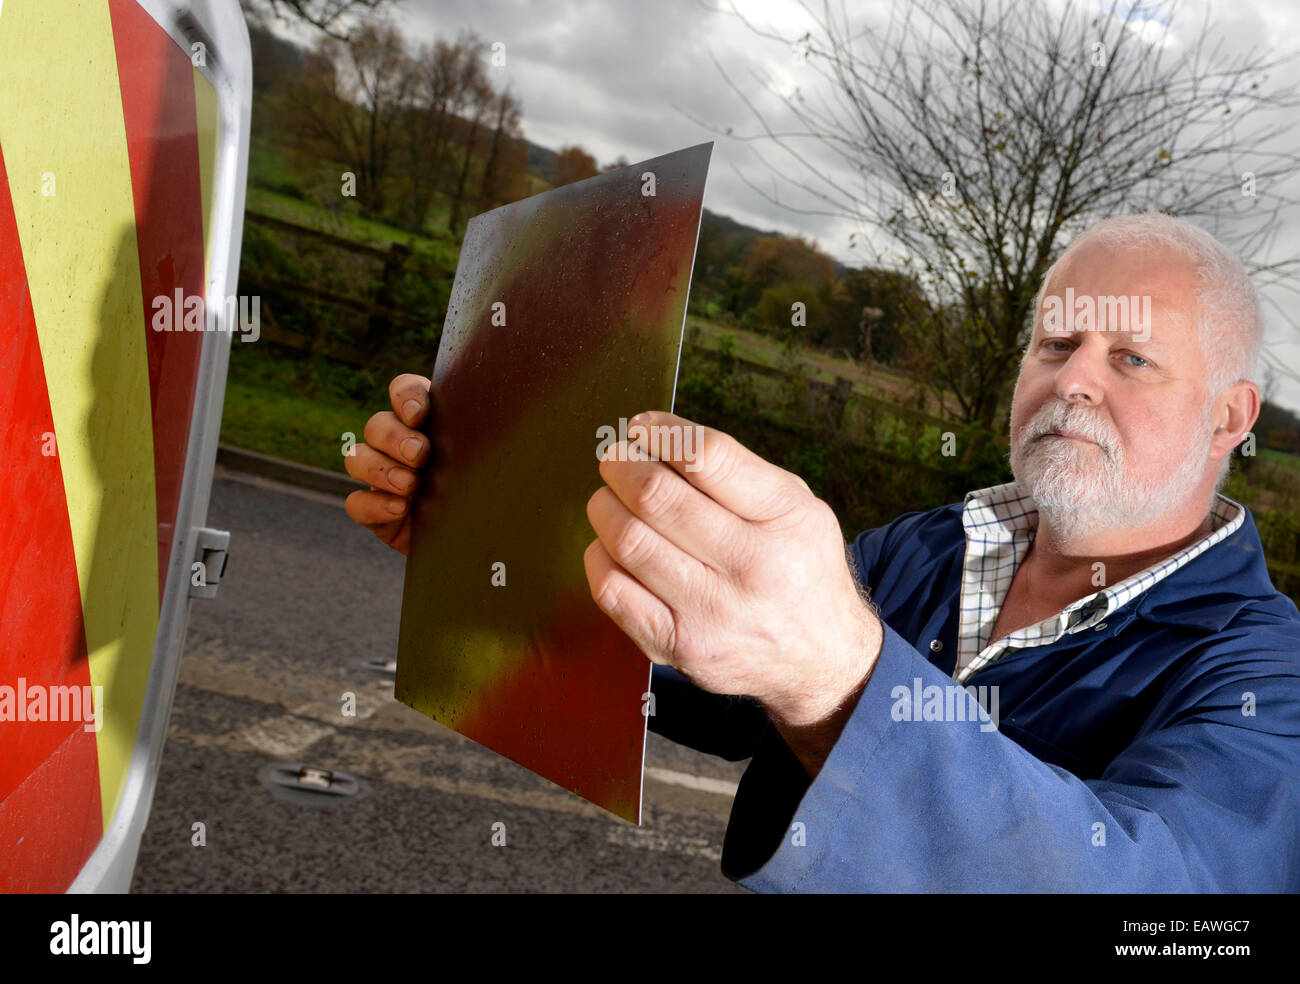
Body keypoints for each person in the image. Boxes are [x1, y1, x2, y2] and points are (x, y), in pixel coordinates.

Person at [345, 213, 1300, 892]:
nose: (1074, 380)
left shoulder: (1265, 672)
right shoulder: (934, 546)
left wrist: (844, 681)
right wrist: (486, 540)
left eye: (1130, 358)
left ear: (1229, 415)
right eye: (1055, 343)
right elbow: (719, 678)